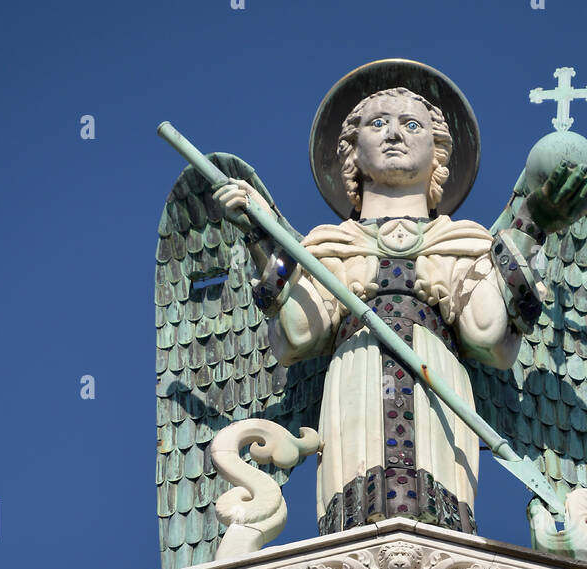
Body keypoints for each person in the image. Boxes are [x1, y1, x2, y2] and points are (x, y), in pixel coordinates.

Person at [216, 83, 543, 535]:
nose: (394, 134)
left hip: (439, 380)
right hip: (355, 375)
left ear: (438, 155)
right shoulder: (324, 246)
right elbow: (299, 337)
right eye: (378, 123)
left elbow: (486, 335)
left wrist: (532, 226)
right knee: (356, 517)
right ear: (351, 153)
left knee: (440, 523)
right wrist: (259, 236)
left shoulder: (468, 242)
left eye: (412, 125)